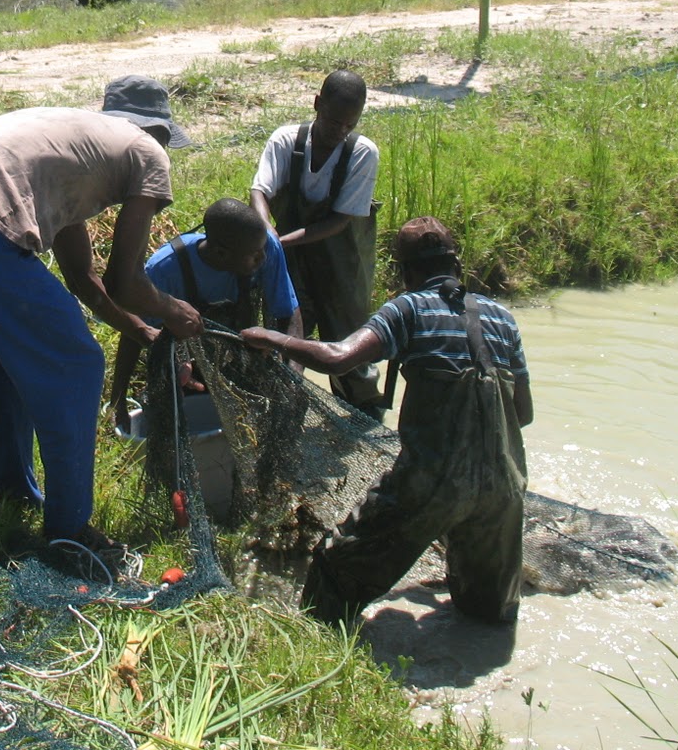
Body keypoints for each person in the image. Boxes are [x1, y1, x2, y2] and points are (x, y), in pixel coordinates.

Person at [0, 76, 204, 570]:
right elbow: (127, 281)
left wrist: (139, 331)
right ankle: (69, 529)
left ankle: (11, 498)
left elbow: (84, 279)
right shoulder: (148, 153)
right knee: (78, 364)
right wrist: (171, 309)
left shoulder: (75, 149)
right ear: (157, 132)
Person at [240, 216, 534, 627]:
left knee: (335, 569)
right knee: (487, 616)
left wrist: (273, 338)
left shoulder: (408, 309)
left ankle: (318, 649)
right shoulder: (503, 318)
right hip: (505, 487)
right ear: (457, 265)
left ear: (404, 271)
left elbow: (339, 357)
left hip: (430, 482)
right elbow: (523, 414)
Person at [251, 69, 385, 416]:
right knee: (286, 339)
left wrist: (281, 242)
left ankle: (362, 416)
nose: (340, 132)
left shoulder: (362, 153)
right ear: (316, 105)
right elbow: (259, 191)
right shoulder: (285, 141)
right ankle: (283, 412)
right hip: (290, 264)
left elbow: (340, 220)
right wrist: (267, 231)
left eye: (349, 125)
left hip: (344, 266)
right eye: (333, 121)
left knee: (351, 347)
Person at [109, 197, 302, 432]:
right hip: (186, 368)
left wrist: (294, 375)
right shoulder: (164, 269)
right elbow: (133, 333)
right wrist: (118, 401)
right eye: (255, 256)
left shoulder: (265, 246)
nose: (263, 259)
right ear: (221, 254)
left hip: (240, 358)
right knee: (179, 421)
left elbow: (288, 312)